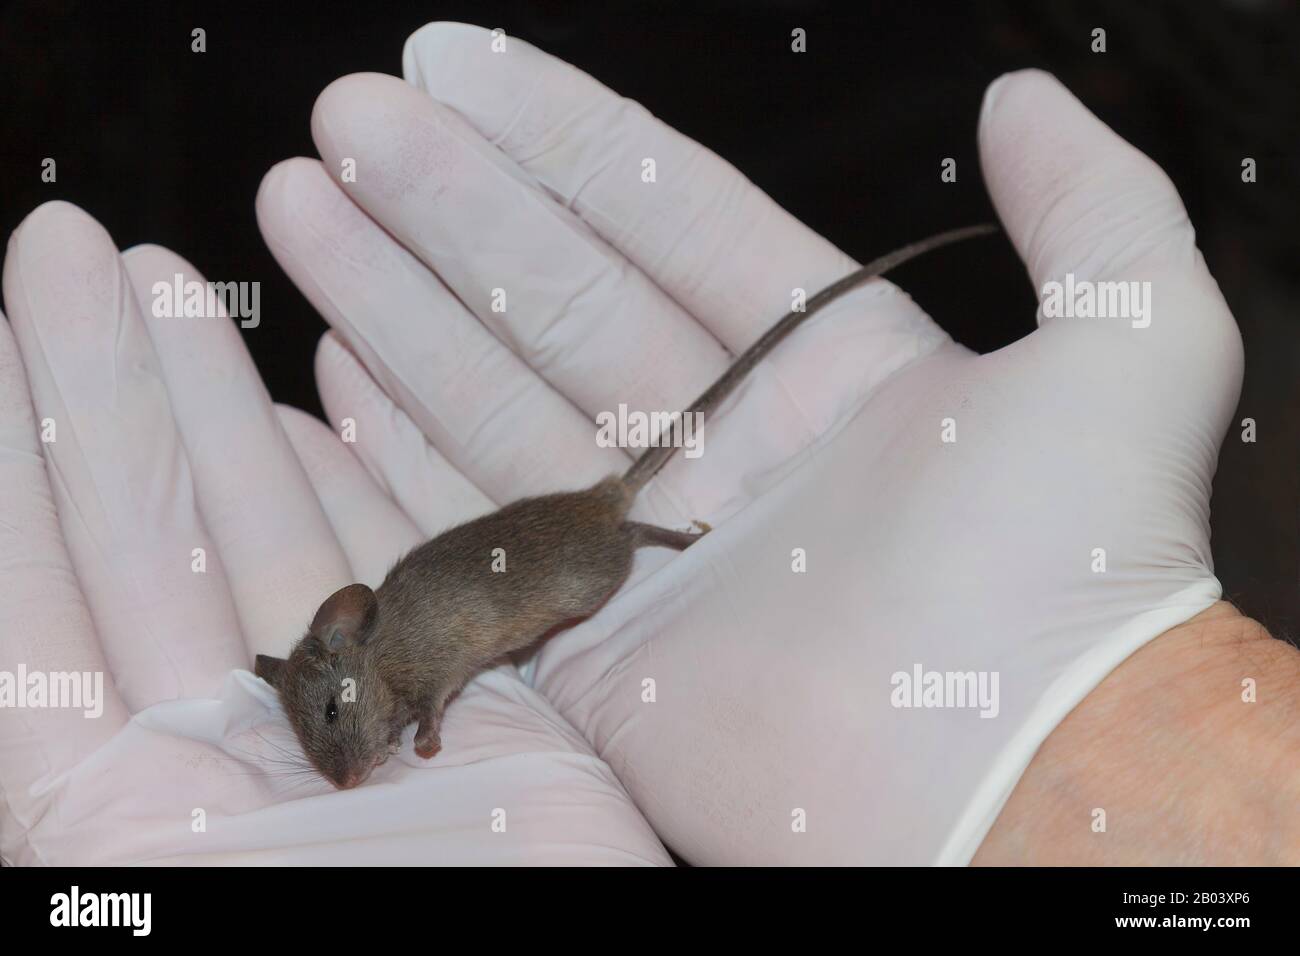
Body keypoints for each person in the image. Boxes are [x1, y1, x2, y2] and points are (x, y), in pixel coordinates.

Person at [1, 22, 1291, 865]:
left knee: (594, 557)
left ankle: (657, 531)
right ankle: (657, 527)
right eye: (331, 738)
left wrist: (1108, 713)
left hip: (573, 553)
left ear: (348, 642)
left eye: (339, 725)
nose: (345, 754)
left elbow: (449, 666)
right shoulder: (356, 647)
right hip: (550, 544)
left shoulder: (400, 649)